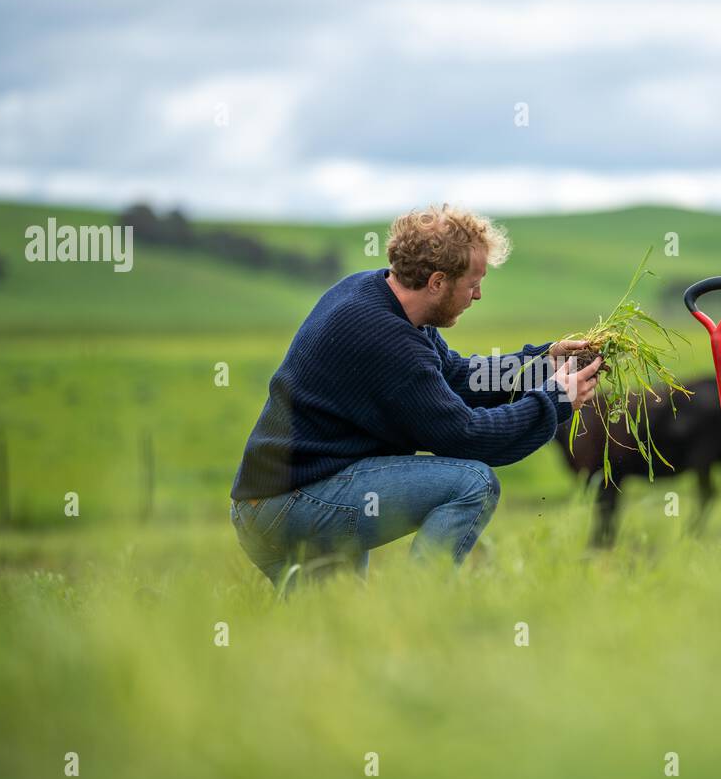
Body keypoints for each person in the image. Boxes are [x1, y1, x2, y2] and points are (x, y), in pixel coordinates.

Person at [229, 203, 602, 588]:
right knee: (472, 482)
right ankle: (417, 603)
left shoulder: (373, 294)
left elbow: (455, 375)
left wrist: (541, 363)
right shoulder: (388, 340)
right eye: (473, 283)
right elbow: (465, 437)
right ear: (438, 281)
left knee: (336, 630)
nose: (478, 295)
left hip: (275, 501)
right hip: (293, 503)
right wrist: (554, 401)